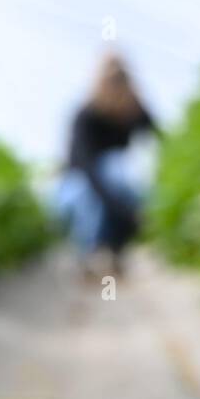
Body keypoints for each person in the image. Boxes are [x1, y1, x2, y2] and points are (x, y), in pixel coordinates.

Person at [56, 54, 158, 275]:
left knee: (123, 177)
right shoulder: (86, 116)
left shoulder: (135, 112)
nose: (116, 88)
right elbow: (88, 170)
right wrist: (123, 210)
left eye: (121, 81)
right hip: (79, 188)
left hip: (115, 187)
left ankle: (115, 250)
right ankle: (89, 252)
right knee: (109, 171)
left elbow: (164, 141)